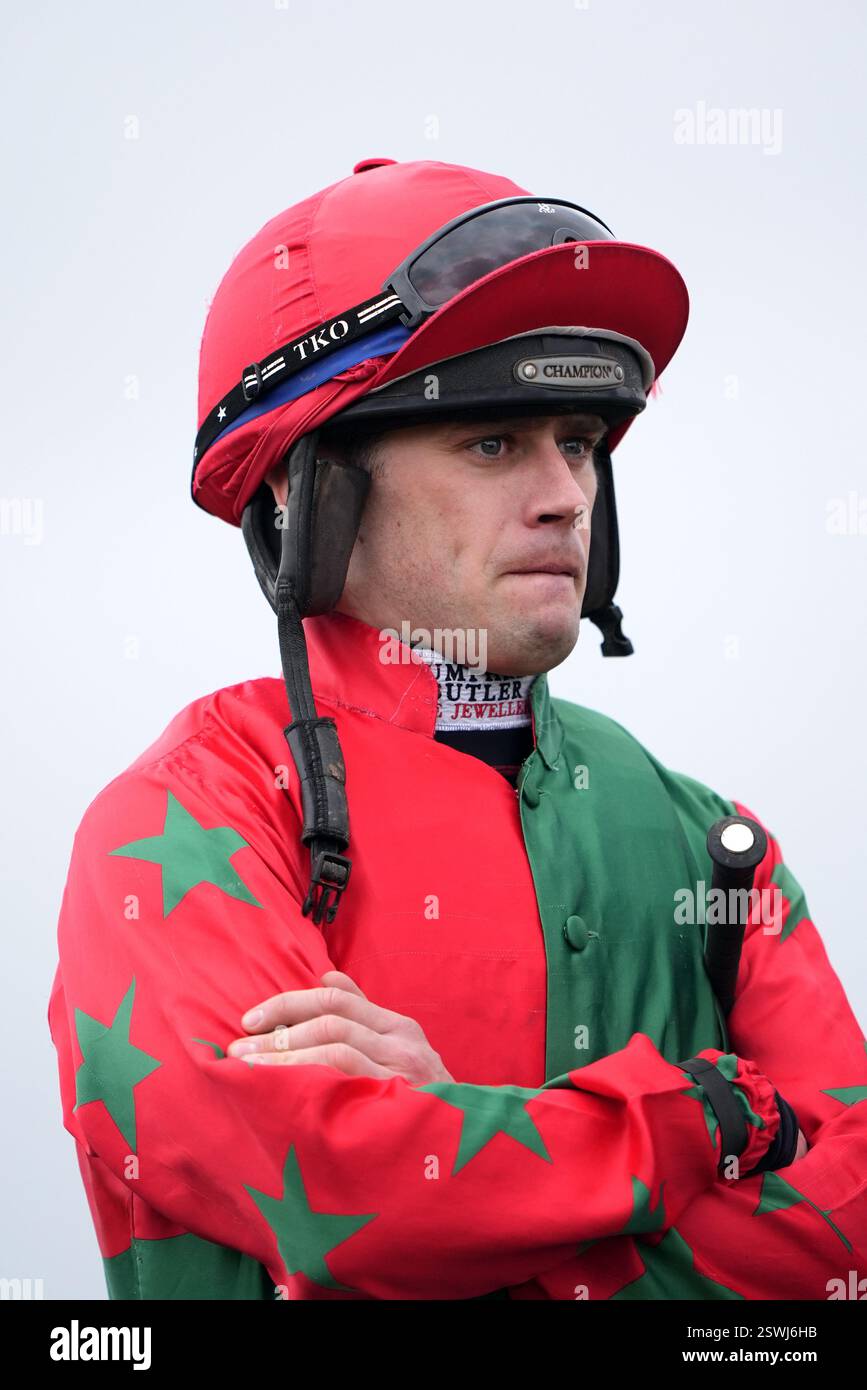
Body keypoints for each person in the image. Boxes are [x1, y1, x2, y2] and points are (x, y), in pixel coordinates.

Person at [48, 158, 867, 1301]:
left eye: (577, 440)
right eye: (492, 444)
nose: (565, 494)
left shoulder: (718, 844)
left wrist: (469, 1155)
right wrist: (710, 1116)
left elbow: (852, 1242)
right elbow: (343, 1195)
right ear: (309, 493)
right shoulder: (184, 822)